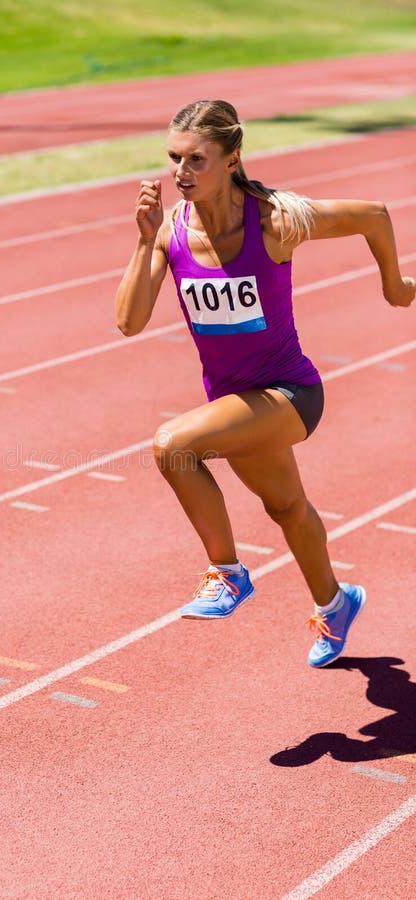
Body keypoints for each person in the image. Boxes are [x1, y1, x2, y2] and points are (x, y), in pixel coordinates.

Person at [114, 99, 414, 668]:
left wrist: (395, 285)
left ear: (232, 159)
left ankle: (226, 575)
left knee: (172, 447)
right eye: (174, 158)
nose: (181, 173)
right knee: (287, 509)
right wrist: (142, 239)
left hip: (290, 394)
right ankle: (336, 602)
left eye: (197, 159)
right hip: (234, 402)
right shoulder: (171, 232)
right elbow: (128, 322)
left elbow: (374, 213)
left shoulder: (275, 221)